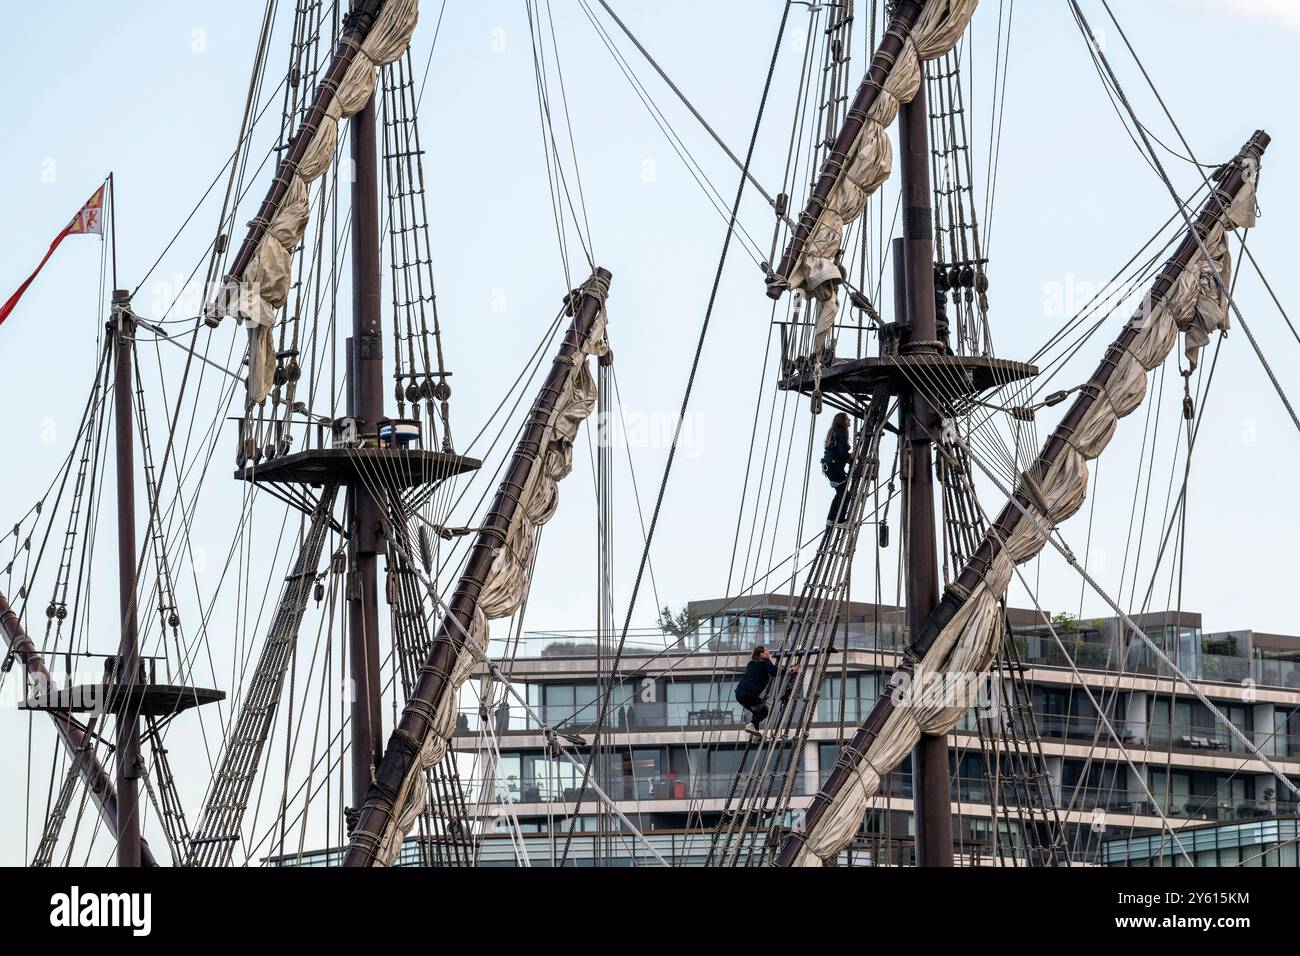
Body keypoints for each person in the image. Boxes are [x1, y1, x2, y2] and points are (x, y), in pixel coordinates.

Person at [734, 645, 798, 739]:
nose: (768, 652)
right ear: (762, 654)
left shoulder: (751, 663)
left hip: (739, 694)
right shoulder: (765, 661)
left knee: (757, 711)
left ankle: (755, 736)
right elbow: (775, 672)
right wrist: (791, 670)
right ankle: (751, 725)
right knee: (764, 711)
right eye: (766, 651)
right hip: (749, 693)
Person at [821, 412, 853, 527]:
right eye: (847, 419)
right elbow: (842, 452)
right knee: (845, 494)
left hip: (828, 467)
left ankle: (830, 519)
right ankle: (840, 521)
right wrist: (851, 456)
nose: (850, 421)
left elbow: (836, 452)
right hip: (834, 467)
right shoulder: (841, 432)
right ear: (842, 421)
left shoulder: (833, 432)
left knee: (840, 493)